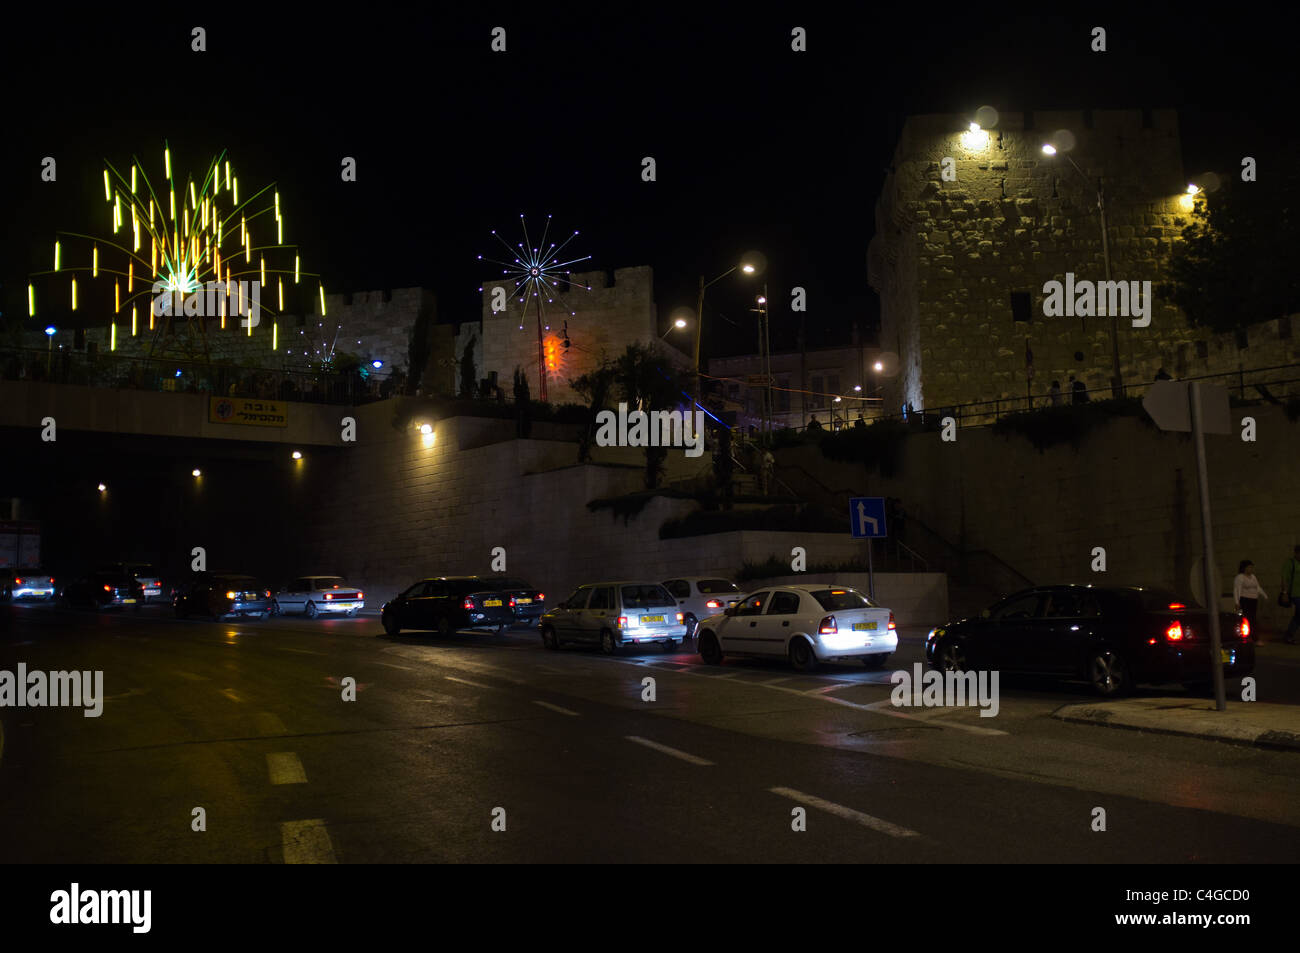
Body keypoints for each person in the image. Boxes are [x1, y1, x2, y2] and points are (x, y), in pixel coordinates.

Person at [1233, 560, 1266, 642]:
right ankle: (1248, 636)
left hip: (1253, 600)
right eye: (1249, 567)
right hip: (1245, 600)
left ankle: (1254, 637)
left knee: (1253, 618)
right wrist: (1237, 602)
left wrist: (1264, 595)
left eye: (1252, 567)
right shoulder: (1240, 577)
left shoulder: (1253, 577)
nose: (1251, 569)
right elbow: (1237, 590)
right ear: (1244, 568)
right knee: (1247, 619)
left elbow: (1257, 587)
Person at [1281, 545, 1300, 644]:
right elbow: (1284, 578)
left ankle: (1288, 635)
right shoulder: (1291, 563)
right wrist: (1285, 593)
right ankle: (1288, 635)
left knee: (1298, 616)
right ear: (1296, 553)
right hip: (1295, 594)